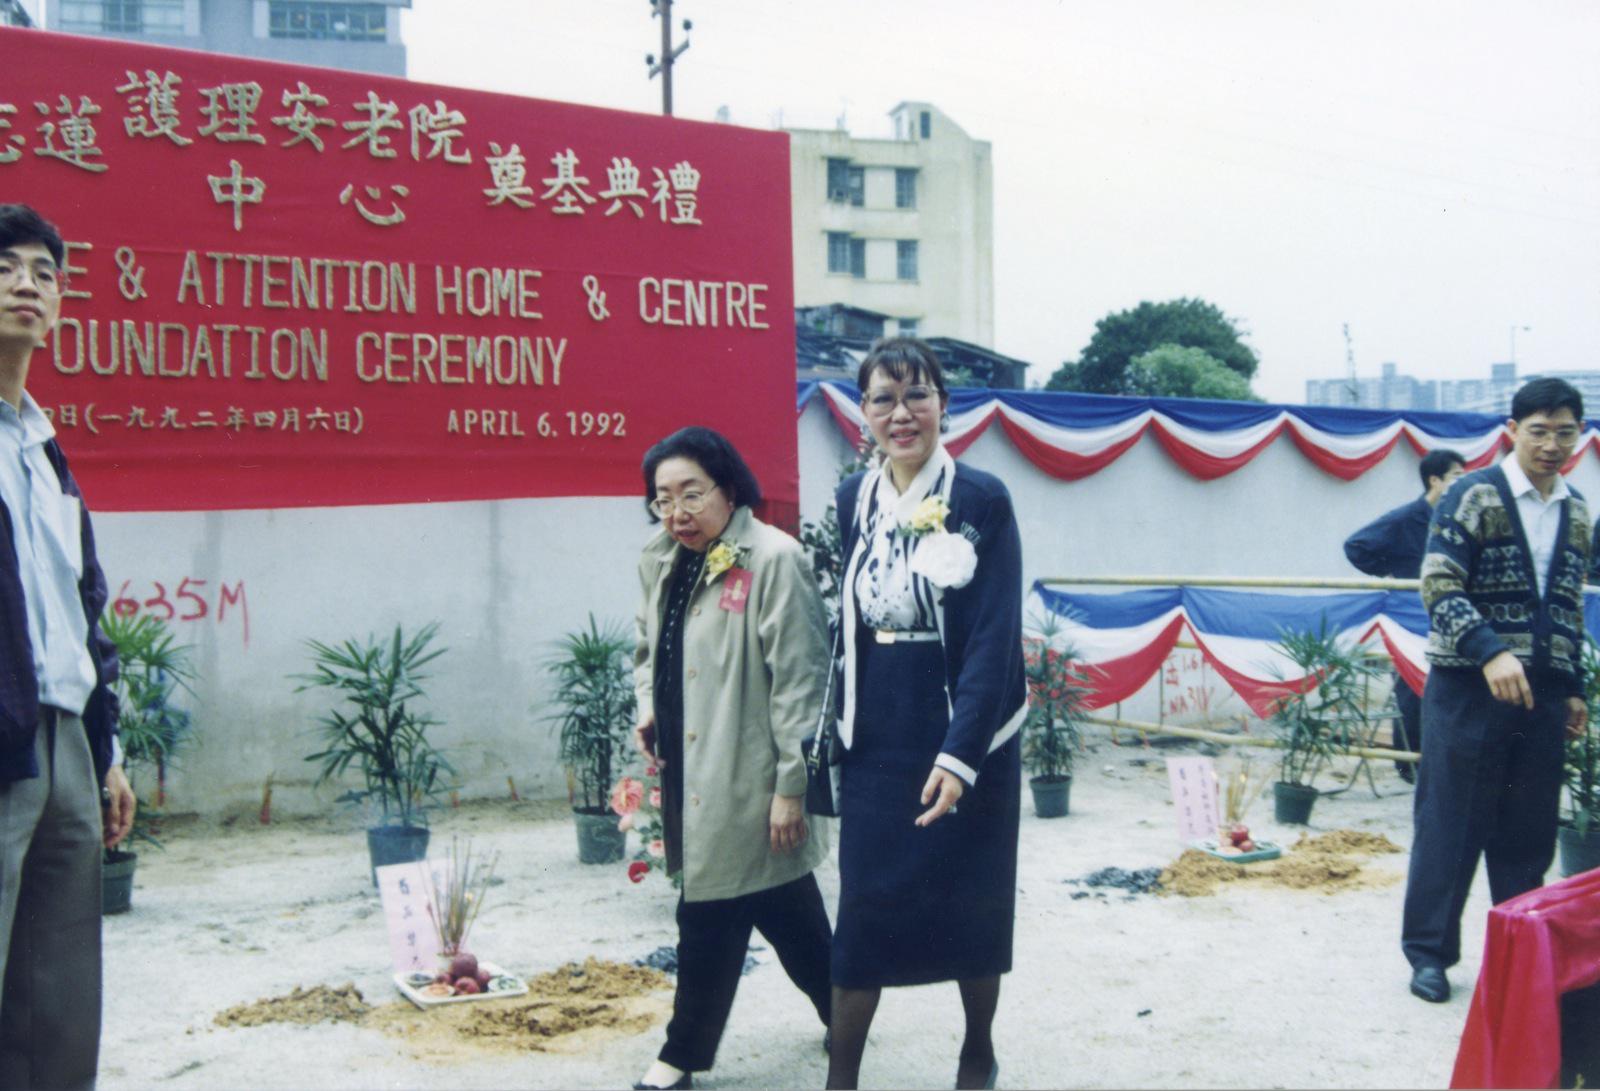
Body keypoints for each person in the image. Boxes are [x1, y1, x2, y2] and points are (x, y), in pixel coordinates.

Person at [826, 338, 1025, 1091]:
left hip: (965, 722)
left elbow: (992, 638)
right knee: (866, 906)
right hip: (878, 723)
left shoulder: (982, 498)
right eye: (883, 398)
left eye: (916, 395)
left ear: (944, 402)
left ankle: (978, 1047)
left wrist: (960, 753)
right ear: (863, 413)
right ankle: (841, 1077)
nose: (900, 414)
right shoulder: (853, 498)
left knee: (971, 897)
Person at [630, 426, 833, 1091]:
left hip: (746, 774)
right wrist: (648, 705)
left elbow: (802, 682)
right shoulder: (662, 557)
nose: (677, 512)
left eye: (692, 493)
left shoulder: (774, 559)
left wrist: (790, 787)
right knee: (785, 905)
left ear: (730, 486)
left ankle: (680, 1056)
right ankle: (844, 1005)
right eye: (662, 498)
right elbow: (645, 648)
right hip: (690, 764)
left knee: (708, 909)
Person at [0, 203, 136, 1090]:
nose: (25, 285)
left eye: (43, 273)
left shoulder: (47, 451)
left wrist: (108, 750)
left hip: (65, 743)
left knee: (58, 985)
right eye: (6, 267)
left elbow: (80, 612)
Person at [1401, 377, 1591, 1005]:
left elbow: (1566, 609)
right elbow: (1439, 586)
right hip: (1467, 688)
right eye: (1538, 430)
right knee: (1451, 824)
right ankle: (1429, 955)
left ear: (1579, 437)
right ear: (1511, 432)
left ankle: (1513, 960)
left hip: (1539, 697)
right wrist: (1490, 650)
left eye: (1565, 432)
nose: (1551, 444)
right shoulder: (1471, 493)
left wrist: (1571, 688)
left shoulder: (1576, 508)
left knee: (1528, 832)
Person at [1343, 448, 1466, 782]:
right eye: (1457, 476)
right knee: (1411, 688)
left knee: (1445, 683)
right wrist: (1394, 574)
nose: (1463, 483)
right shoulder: (1405, 518)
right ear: (1435, 480)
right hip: (1409, 614)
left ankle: (1438, 760)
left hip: (1446, 614)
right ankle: (1408, 764)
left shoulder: (1458, 517)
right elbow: (1356, 547)